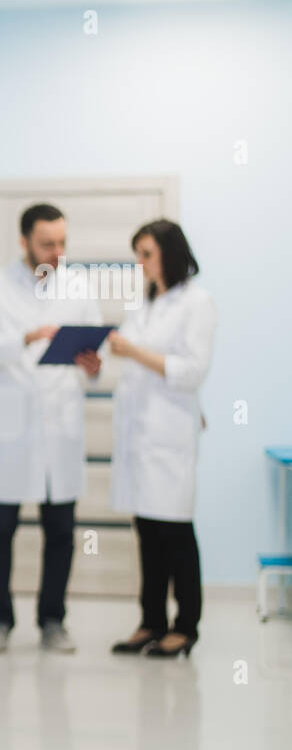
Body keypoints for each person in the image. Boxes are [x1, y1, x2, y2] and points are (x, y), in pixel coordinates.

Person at [0, 203, 103, 653]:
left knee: (61, 531)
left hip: (59, 424)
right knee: (0, 529)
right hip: (11, 425)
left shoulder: (79, 286)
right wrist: (24, 337)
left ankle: (52, 620)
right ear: (24, 242)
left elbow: (92, 360)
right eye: (47, 243)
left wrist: (92, 365)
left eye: (62, 242)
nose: (57, 251)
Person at [108, 220, 216, 658]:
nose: (141, 262)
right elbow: (130, 354)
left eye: (146, 253)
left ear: (170, 253)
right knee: (147, 530)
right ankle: (150, 621)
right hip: (140, 432)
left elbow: (192, 370)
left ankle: (185, 625)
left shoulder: (197, 302)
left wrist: (132, 351)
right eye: (138, 254)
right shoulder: (145, 302)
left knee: (175, 532)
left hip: (170, 432)